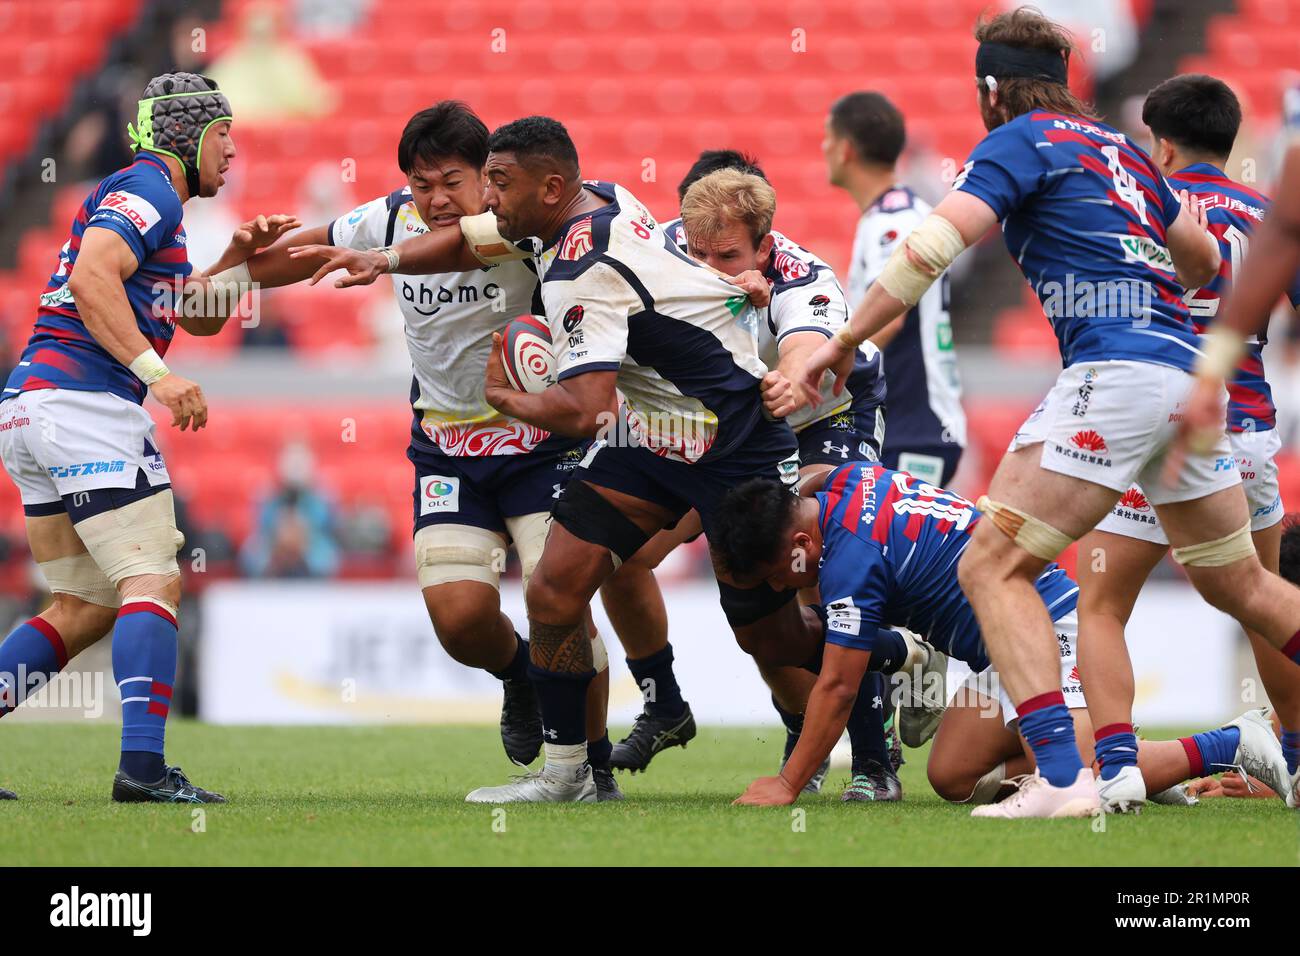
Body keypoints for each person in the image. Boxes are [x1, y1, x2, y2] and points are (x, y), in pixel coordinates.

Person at [797, 6, 1300, 818]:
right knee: (1244, 583)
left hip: (1116, 375)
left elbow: (931, 247)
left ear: (992, 91)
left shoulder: (1017, 142)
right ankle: (1082, 771)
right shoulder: (1127, 154)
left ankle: (1064, 781)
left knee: (991, 565)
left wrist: (844, 340)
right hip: (1182, 376)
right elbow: (1204, 258)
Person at [289, 115, 822, 803]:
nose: (487, 199)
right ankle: (569, 774)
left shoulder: (580, 272)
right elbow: (465, 244)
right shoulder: (602, 197)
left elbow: (584, 409)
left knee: (770, 639)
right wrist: (386, 260)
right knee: (553, 588)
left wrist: (507, 398)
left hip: (734, 440)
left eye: (498, 184)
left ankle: (894, 660)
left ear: (549, 187)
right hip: (654, 441)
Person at [210, 102, 621, 798]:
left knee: (564, 601)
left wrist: (384, 260)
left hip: (540, 443)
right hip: (448, 446)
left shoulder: (512, 218)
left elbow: (461, 244)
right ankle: (522, 674)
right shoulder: (393, 217)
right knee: (459, 620)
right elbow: (305, 249)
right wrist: (226, 278)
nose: (434, 198)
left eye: (451, 182)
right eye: (421, 182)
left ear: (486, 178)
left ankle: (593, 765)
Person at [0, 73, 297, 802]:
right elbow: (94, 278)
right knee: (153, 579)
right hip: (86, 404)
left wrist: (234, 265)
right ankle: (142, 771)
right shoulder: (152, 188)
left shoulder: (149, 199)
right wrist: (156, 376)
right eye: (222, 133)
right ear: (187, 135)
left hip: (31, 405)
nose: (233, 148)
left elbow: (189, 312)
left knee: (82, 605)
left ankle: (141, 766)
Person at [711, 464, 1293, 811]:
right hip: (1000, 653)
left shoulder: (848, 563)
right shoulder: (841, 483)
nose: (782, 586)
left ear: (802, 545)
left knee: (1076, 787)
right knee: (952, 778)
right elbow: (809, 479)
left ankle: (1229, 743)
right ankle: (1112, 753)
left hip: (1050, 626)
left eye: (774, 574)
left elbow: (838, 687)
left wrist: (788, 784)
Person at [599, 158, 902, 801]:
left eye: (730, 255)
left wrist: (788, 378)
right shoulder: (668, 250)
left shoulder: (805, 278)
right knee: (623, 556)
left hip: (826, 419)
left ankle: (874, 764)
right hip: (721, 431)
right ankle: (667, 703)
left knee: (812, 578)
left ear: (766, 245)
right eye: (699, 252)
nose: (711, 268)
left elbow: (803, 355)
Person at [1075, 74, 1300, 812]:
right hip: (1251, 431)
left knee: (1103, 604)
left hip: (1165, 428)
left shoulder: (1146, 206)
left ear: (1161, 145)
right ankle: (1294, 761)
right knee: (1263, 602)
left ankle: (1117, 770)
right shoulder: (1269, 214)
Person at [825, 92, 966, 486]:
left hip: (915, 426)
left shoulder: (895, 219)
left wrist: (820, 364)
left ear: (846, 149)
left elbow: (889, 318)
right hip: (907, 423)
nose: (823, 147)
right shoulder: (892, 213)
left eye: (828, 138)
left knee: (891, 545)